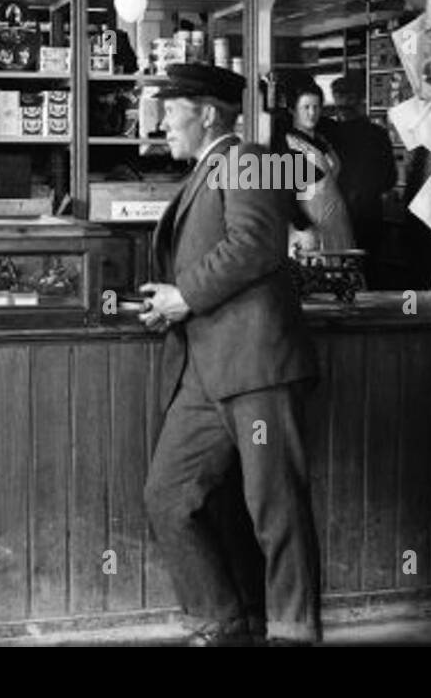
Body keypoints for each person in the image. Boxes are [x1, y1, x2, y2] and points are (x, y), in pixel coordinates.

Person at [139, 62, 322, 646]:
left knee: (277, 511)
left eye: (172, 113)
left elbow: (256, 244)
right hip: (206, 369)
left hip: (256, 367)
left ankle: (294, 633)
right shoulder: (209, 169)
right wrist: (172, 302)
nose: (161, 124)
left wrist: (185, 295)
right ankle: (222, 619)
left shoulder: (247, 160)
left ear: (209, 115)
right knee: (168, 496)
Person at [322, 76, 397, 286]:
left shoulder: (330, 134)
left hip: (336, 211)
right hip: (369, 213)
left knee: (338, 272)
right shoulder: (378, 134)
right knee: (369, 271)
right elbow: (390, 179)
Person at [283, 84, 355, 252]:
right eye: (306, 107)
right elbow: (284, 193)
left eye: (316, 107)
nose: (312, 113)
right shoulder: (290, 145)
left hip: (336, 223)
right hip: (310, 227)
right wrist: (302, 226)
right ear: (293, 110)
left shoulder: (322, 140)